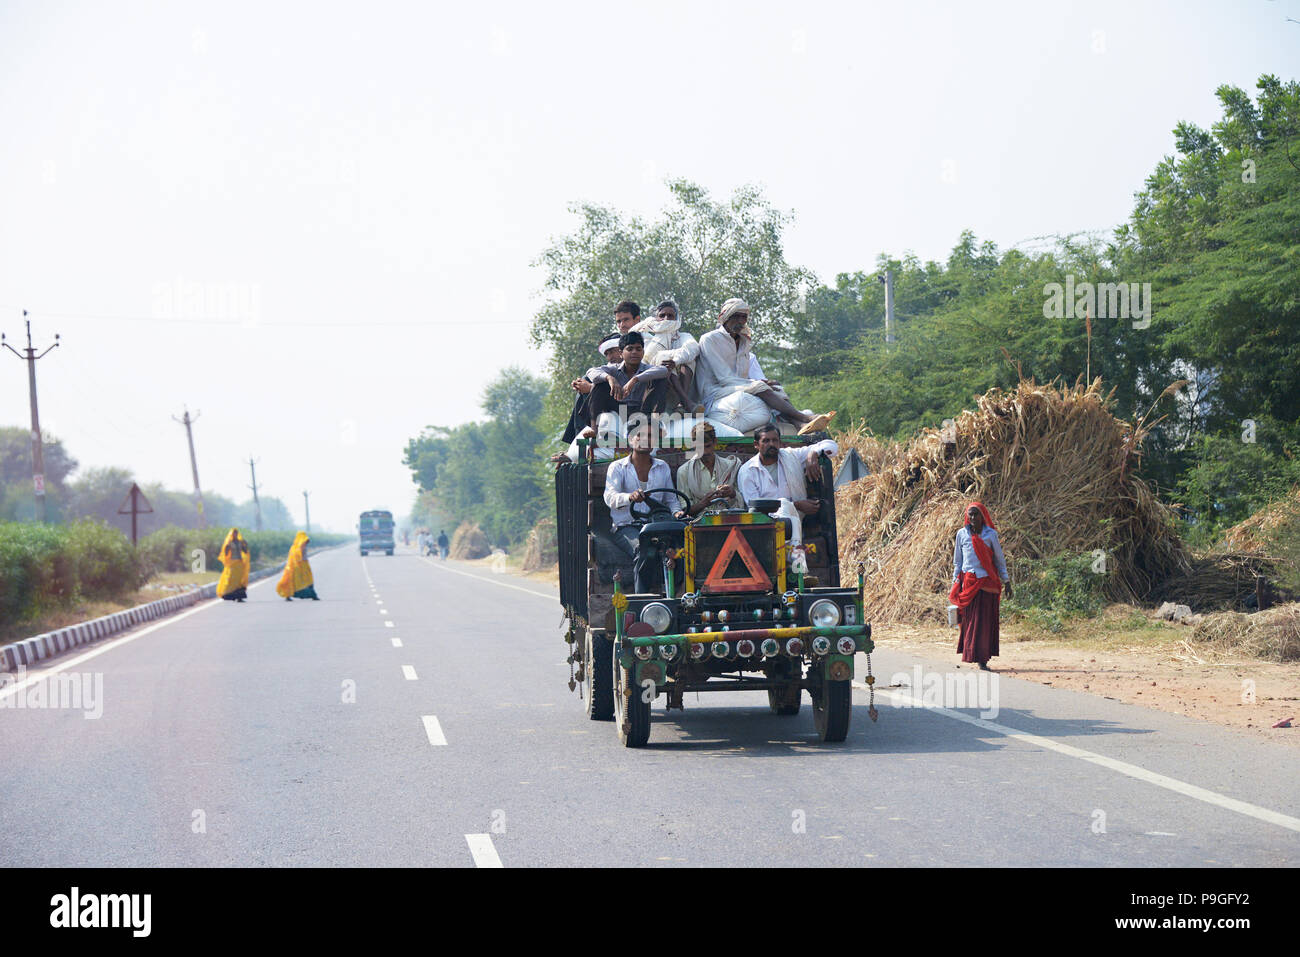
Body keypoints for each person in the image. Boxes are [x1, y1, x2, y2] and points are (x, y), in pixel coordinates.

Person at [696, 298, 834, 434]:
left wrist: (759, 383)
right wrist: (755, 383)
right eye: (735, 316)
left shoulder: (744, 341)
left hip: (735, 388)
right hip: (715, 393)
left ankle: (798, 424)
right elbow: (724, 378)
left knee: (776, 387)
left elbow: (741, 376)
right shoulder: (710, 339)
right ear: (724, 317)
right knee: (760, 387)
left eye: (743, 317)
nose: (739, 321)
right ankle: (805, 417)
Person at [603, 425, 686, 593]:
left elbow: (671, 500)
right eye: (639, 435)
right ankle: (642, 598)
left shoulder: (662, 467)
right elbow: (610, 497)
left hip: (658, 526)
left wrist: (677, 512)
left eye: (650, 435)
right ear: (630, 439)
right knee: (644, 549)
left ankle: (679, 596)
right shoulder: (617, 467)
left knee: (682, 550)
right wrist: (629, 497)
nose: (644, 439)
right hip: (627, 527)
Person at [736, 423, 839, 547]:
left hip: (798, 522)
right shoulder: (748, 471)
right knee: (785, 506)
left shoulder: (791, 456)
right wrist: (796, 505)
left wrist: (812, 454)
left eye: (775, 440)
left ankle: (796, 556)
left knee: (793, 521)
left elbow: (832, 446)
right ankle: (795, 555)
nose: (771, 444)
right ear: (756, 445)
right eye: (766, 441)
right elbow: (755, 509)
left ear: (780, 443)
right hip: (767, 530)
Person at [949, 502, 1012, 671]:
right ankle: (970, 653)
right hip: (968, 583)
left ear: (982, 516)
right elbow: (958, 561)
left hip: (986, 583)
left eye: (976, 514)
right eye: (970, 514)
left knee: (983, 623)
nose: (972, 517)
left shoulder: (990, 535)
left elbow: (999, 560)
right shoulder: (961, 534)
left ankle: (982, 659)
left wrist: (1006, 581)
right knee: (970, 622)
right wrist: (955, 582)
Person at [584, 331, 670, 438]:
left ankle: (655, 426)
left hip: (643, 410)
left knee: (660, 381)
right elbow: (591, 372)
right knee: (599, 385)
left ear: (643, 352)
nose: (634, 352)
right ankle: (594, 430)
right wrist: (610, 379)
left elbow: (664, 371)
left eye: (638, 349)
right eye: (630, 349)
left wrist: (635, 379)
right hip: (618, 409)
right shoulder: (614, 369)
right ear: (621, 353)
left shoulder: (648, 369)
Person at [631, 299, 701, 412]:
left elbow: (693, 348)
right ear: (656, 318)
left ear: (676, 318)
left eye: (670, 315)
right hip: (653, 385)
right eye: (662, 315)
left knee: (689, 360)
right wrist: (667, 358)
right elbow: (645, 361)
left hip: (679, 387)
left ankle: (682, 402)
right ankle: (686, 402)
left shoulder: (683, 336)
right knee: (662, 357)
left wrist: (675, 361)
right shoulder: (648, 338)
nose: (666, 319)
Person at [561, 335, 624, 445]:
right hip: (608, 404)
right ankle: (578, 436)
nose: (610, 357)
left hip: (626, 406)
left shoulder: (631, 365)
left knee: (598, 385)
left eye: (613, 351)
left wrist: (590, 388)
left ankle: (587, 431)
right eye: (607, 354)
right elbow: (593, 371)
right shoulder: (610, 368)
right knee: (586, 380)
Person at [676, 421, 742, 515]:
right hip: (698, 523)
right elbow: (685, 510)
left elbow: (742, 499)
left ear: (715, 442)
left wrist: (731, 493)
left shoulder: (730, 466)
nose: (705, 452)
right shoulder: (684, 471)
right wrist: (704, 503)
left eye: (707, 446)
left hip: (728, 521)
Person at [276, 531, 319, 601]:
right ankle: (289, 595)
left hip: (304, 567)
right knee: (294, 582)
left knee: (308, 581)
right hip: (297, 568)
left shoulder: (297, 547)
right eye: (304, 541)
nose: (305, 543)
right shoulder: (296, 548)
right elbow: (293, 559)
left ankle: (313, 595)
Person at [216, 528, 250, 602]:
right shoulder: (230, 543)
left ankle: (239, 597)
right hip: (233, 563)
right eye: (234, 533)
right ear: (231, 534)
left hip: (239, 563)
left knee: (239, 580)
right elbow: (225, 553)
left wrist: (245, 544)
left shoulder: (240, 542)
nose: (235, 534)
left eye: (236, 533)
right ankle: (230, 595)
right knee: (232, 579)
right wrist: (227, 547)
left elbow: (245, 551)